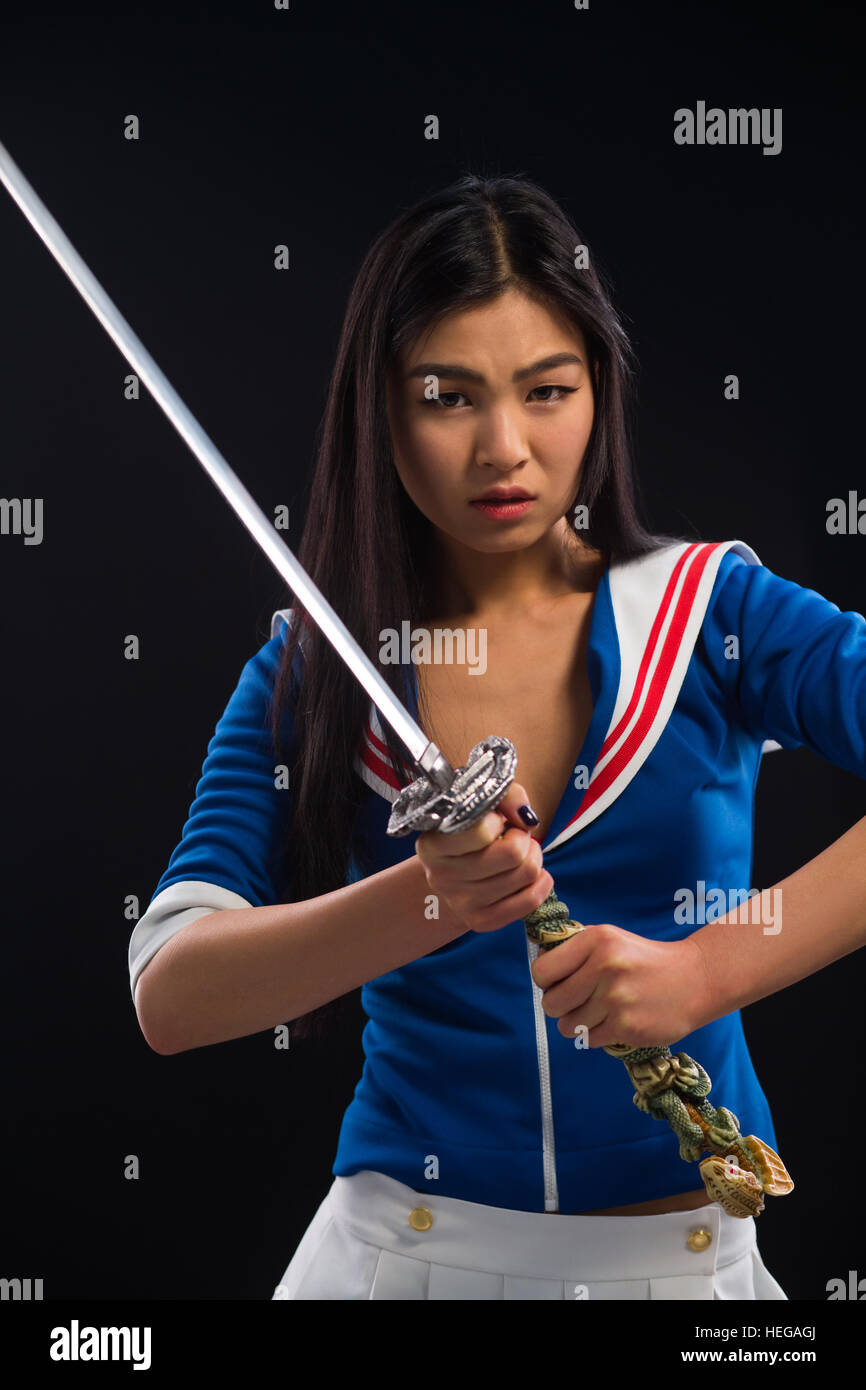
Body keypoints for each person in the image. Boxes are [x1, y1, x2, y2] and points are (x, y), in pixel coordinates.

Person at [128, 173, 866, 1300]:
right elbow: (172, 991)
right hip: (393, 1259)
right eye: (447, 395)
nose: (503, 448)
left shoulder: (712, 613)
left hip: (681, 1268)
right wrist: (429, 898)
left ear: (598, 390)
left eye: (545, 389)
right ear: (377, 406)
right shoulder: (313, 668)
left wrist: (703, 973)